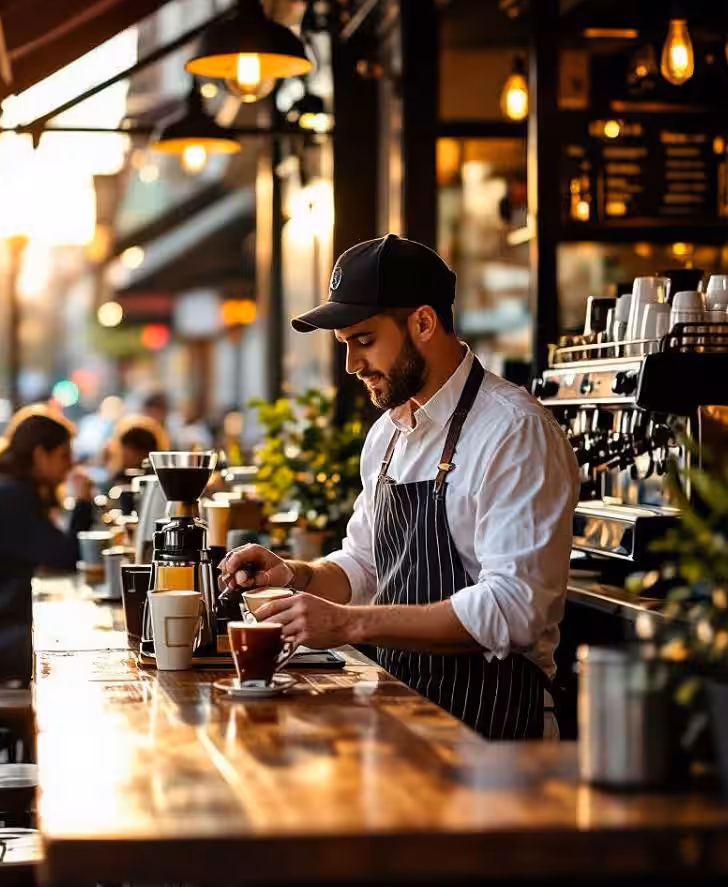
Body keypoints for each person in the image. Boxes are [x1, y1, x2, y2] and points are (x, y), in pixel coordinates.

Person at [222, 234, 579, 740]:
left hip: (496, 733)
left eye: (364, 341)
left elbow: (513, 609)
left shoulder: (513, 432)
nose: (351, 365)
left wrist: (349, 625)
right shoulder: (388, 434)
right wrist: (297, 574)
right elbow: (365, 565)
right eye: (344, 345)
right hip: (401, 716)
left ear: (424, 323)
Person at [0, 405, 94, 681]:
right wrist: (82, 503)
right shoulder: (12, 495)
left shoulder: (6, 486)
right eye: (63, 455)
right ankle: (39, 725)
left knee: (71, 640)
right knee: (72, 651)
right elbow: (65, 555)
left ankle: (32, 725)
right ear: (39, 455)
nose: (71, 464)